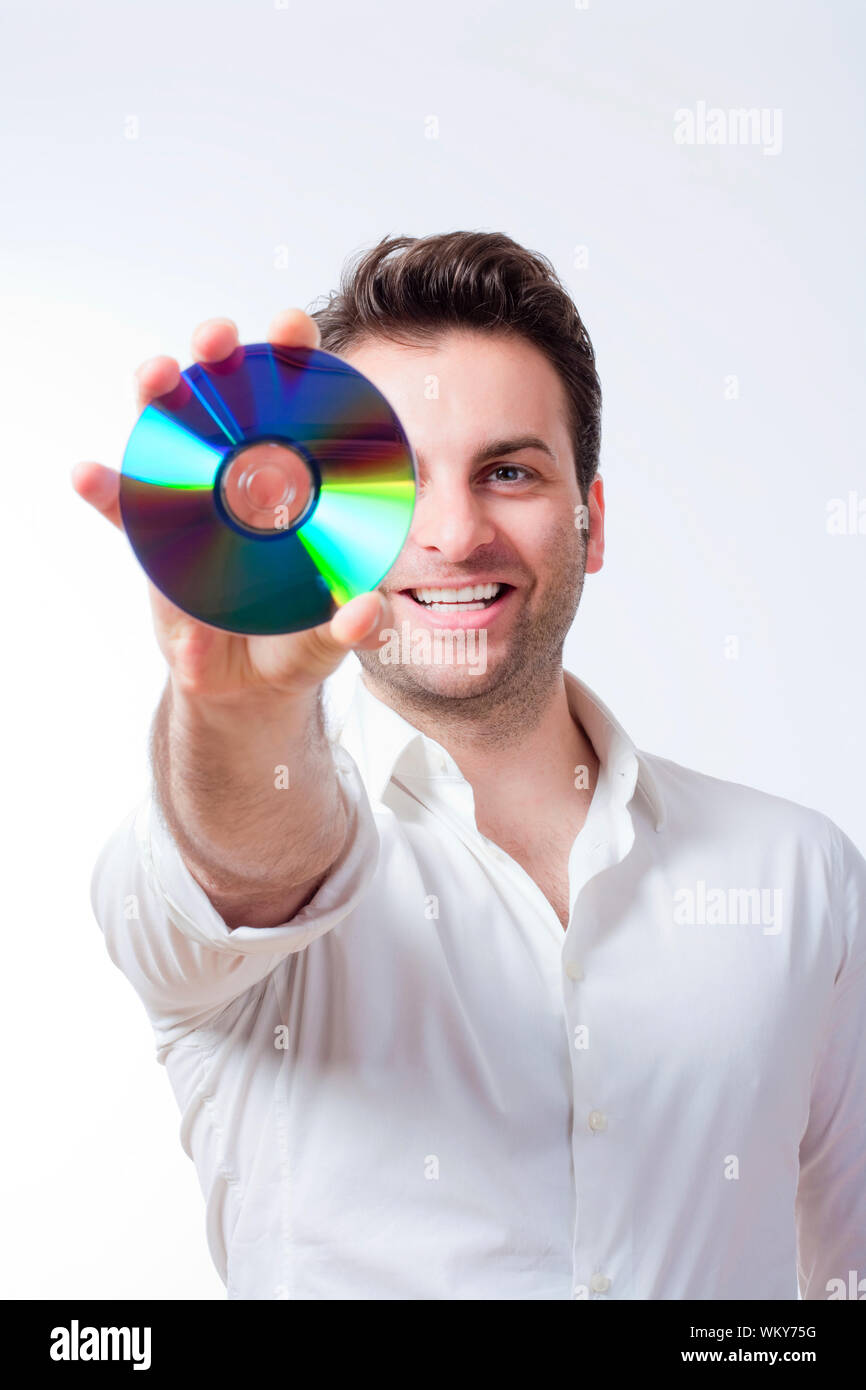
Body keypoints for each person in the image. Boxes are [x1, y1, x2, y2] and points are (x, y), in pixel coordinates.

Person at [74, 231, 866, 1301]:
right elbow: (252, 863)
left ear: (588, 523)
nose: (451, 533)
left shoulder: (797, 876)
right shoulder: (238, 863)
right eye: (391, 480)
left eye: (507, 471)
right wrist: (240, 716)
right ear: (312, 520)